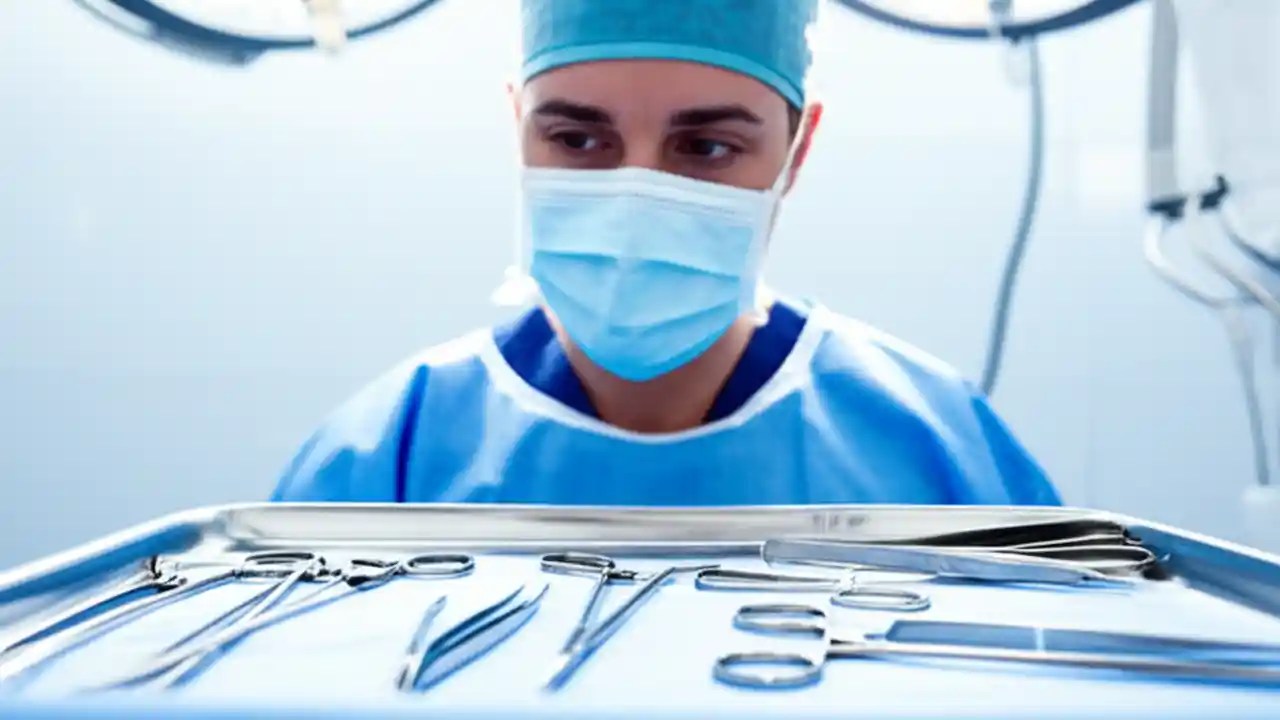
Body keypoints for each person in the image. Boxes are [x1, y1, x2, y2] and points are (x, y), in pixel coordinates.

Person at [271, 0, 1061, 506]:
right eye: (578, 139)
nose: (635, 191)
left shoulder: (936, 450)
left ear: (798, 150)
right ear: (519, 128)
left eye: (707, 147)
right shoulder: (391, 457)